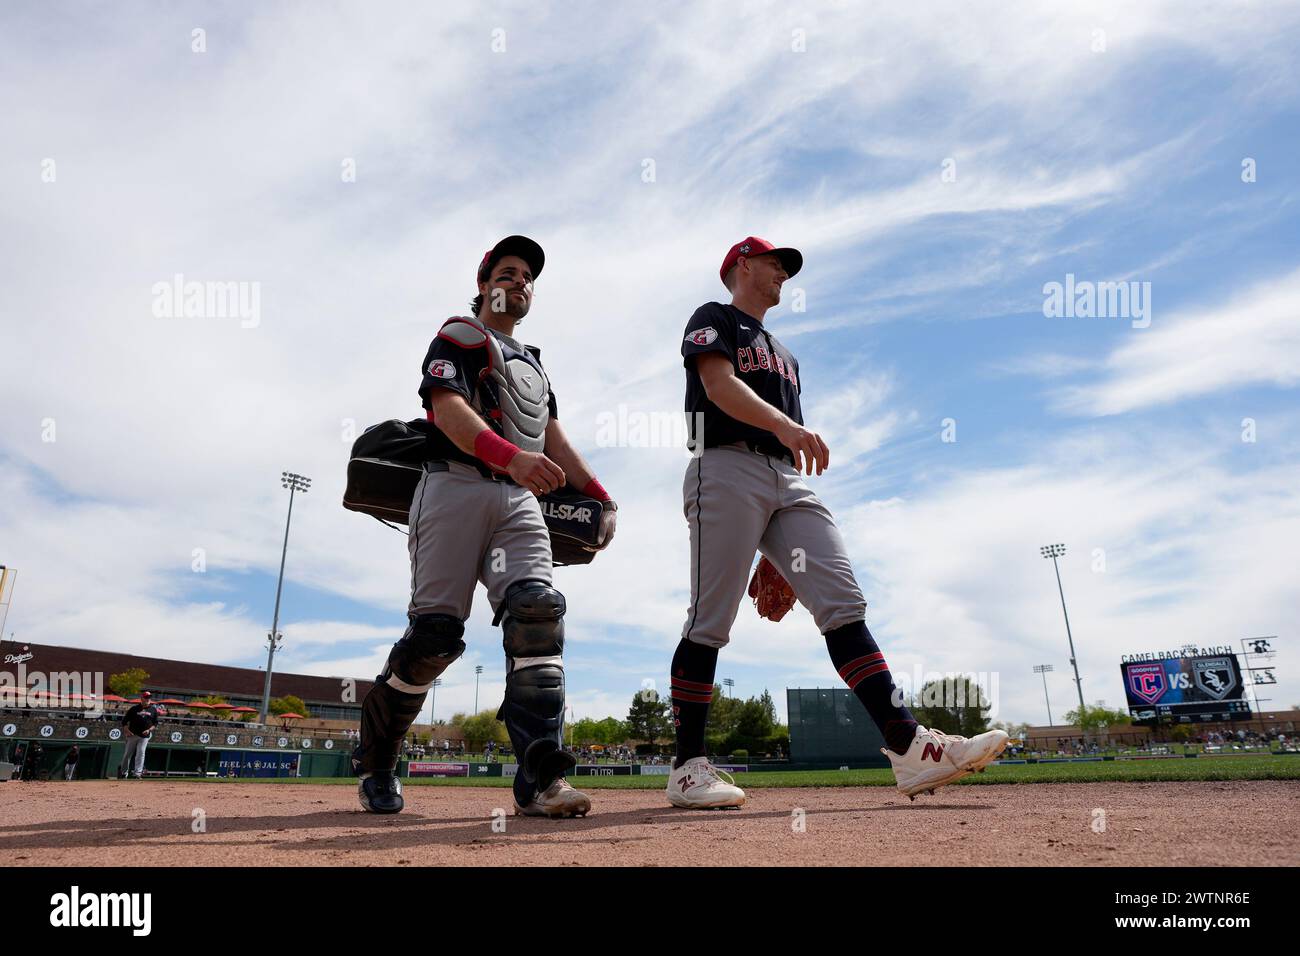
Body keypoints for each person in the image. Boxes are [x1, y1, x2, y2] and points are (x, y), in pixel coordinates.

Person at [665, 237, 1008, 809]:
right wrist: (788, 429)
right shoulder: (714, 317)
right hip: (723, 466)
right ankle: (687, 768)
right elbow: (717, 386)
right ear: (742, 266)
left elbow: (779, 432)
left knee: (842, 603)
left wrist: (778, 551)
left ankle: (908, 747)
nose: (783, 275)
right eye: (775, 264)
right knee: (710, 620)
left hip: (784, 481)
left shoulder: (786, 354)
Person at [353, 236, 616, 817]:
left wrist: (598, 494)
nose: (520, 281)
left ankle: (540, 779)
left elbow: (552, 436)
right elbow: (445, 408)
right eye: (509, 271)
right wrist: (511, 457)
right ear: (483, 282)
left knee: (538, 616)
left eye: (528, 276)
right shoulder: (457, 335)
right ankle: (376, 760)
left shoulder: (535, 365)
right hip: (453, 486)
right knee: (434, 640)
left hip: (517, 499)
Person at [119, 690, 160, 779]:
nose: (148, 699)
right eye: (146, 698)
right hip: (132, 735)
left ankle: (137, 773)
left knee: (141, 753)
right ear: (141, 698)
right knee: (127, 754)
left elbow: (155, 724)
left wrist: (149, 730)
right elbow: (124, 721)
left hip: (144, 736)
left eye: (149, 698)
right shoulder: (134, 709)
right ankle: (123, 773)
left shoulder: (153, 710)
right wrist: (126, 731)